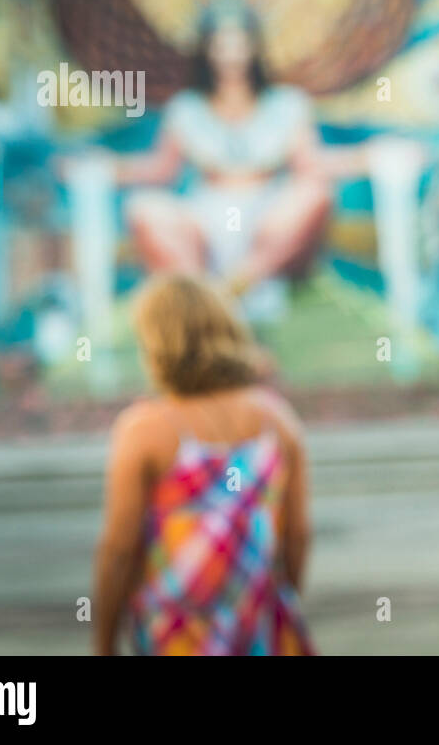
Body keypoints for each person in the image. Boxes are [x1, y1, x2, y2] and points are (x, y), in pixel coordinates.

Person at [93, 274, 314, 655]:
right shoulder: (277, 420)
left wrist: (104, 642)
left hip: (176, 633)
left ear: (157, 343)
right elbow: (298, 534)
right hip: (256, 627)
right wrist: (277, 599)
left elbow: (118, 550)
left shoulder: (145, 429)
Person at [116, 10, 361, 299]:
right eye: (222, 45)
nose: (231, 56)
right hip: (206, 213)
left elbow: (312, 165)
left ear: (254, 47)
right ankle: (202, 298)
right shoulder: (186, 108)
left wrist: (369, 157)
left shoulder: (286, 104)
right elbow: (160, 170)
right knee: (144, 209)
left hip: (269, 212)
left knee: (315, 194)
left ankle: (236, 285)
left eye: (239, 44)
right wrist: (105, 167)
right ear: (207, 50)